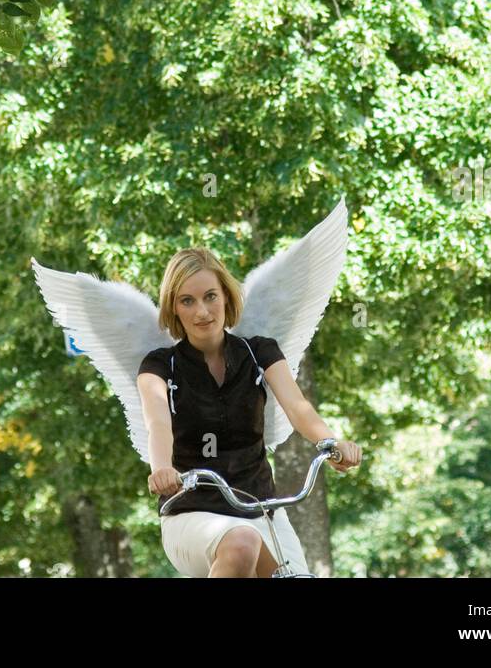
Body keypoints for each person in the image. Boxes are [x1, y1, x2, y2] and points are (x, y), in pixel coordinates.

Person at [137, 244, 362, 578]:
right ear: (174, 308)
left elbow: (298, 408)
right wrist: (161, 469)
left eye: (210, 296)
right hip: (192, 513)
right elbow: (158, 424)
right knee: (242, 542)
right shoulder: (159, 366)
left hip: (261, 508)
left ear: (226, 296)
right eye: (188, 301)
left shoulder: (259, 352)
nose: (202, 312)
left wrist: (330, 443)